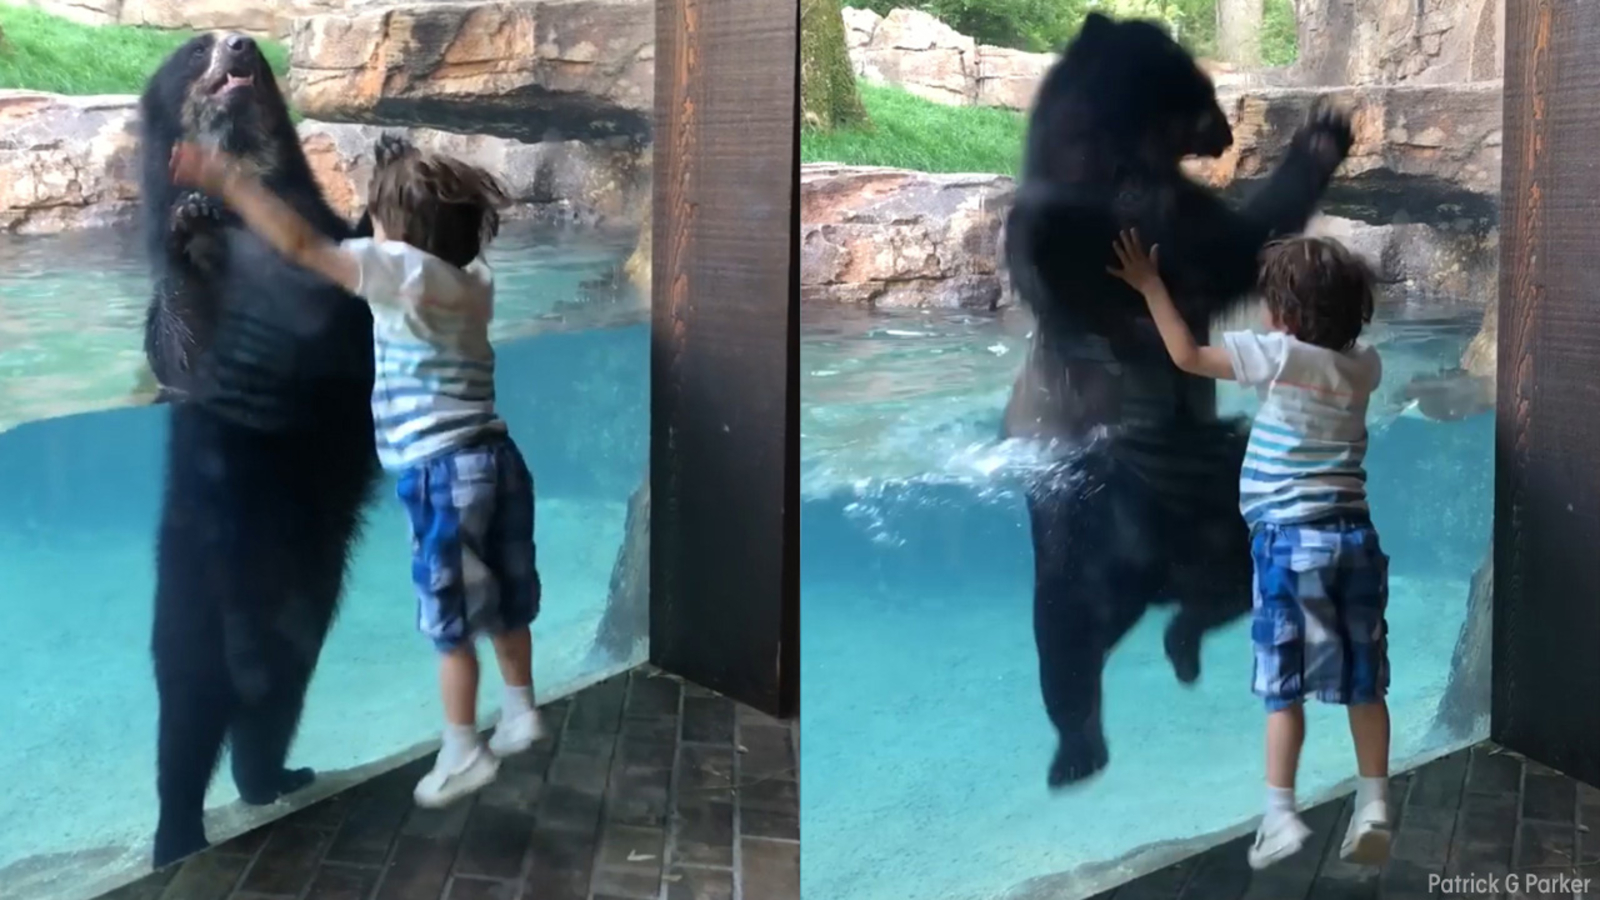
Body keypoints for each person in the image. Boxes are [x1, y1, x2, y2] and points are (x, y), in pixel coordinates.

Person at [169, 137, 549, 808]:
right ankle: (522, 710)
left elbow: (302, 249)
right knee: (507, 600)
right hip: (499, 461)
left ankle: (463, 749)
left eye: (376, 219)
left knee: (450, 623)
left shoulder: (400, 273)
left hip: (442, 476)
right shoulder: (474, 279)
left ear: (397, 236)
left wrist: (228, 179)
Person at [1106, 228, 1391, 870]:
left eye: (1270, 305)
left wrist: (1151, 286)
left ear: (1285, 317)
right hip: (1354, 542)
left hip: (1290, 546)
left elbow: (1185, 355)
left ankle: (1281, 816)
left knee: (1282, 690)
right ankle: (1375, 804)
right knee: (1364, 685)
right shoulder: (1364, 367)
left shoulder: (1279, 358)